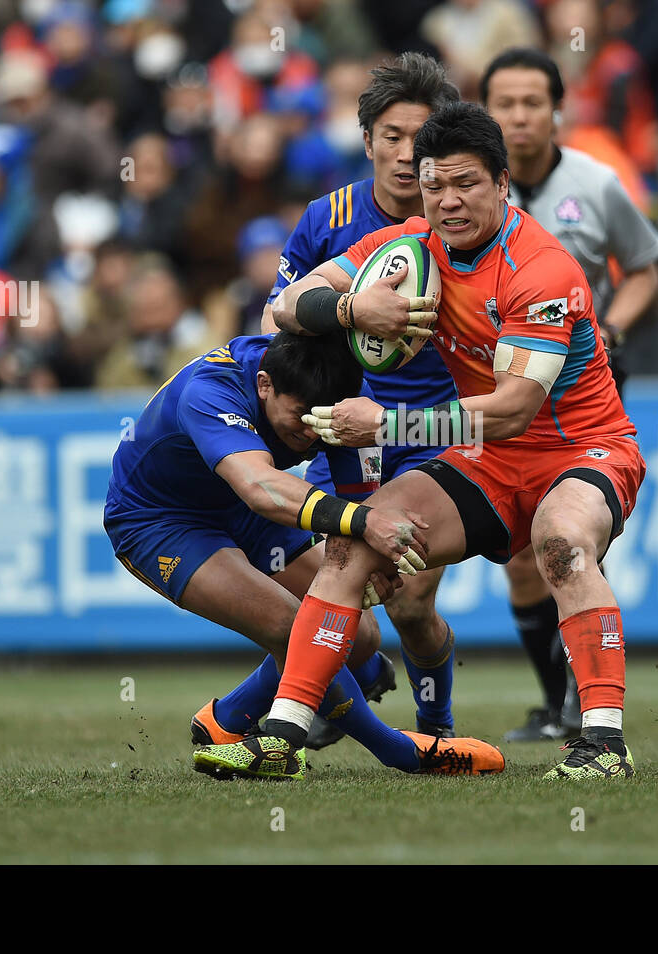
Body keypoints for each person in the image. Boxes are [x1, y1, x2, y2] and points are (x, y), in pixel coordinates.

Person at [199, 102, 645, 781]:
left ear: (502, 183)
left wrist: (388, 425)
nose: (447, 200)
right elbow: (285, 306)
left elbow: (515, 409)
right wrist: (352, 307)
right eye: (435, 185)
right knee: (356, 542)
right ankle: (281, 736)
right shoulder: (410, 248)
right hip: (486, 462)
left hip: (582, 450)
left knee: (561, 542)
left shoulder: (543, 271)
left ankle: (603, 744)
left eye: (465, 183)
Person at [103, 331, 503, 777]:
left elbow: (357, 499)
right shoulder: (210, 391)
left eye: (320, 421)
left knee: (359, 630)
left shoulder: (348, 400)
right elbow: (261, 488)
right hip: (161, 520)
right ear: (264, 385)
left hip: (244, 507)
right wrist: (367, 524)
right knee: (295, 629)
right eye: (299, 417)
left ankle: (227, 719)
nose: (310, 432)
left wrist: (372, 557)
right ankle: (398, 750)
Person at [262, 52, 463, 747]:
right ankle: (341, 680)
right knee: (338, 580)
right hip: (343, 427)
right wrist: (350, 311)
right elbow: (274, 318)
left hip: (436, 431)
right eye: (393, 136)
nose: (409, 155)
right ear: (369, 138)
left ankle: (433, 725)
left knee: (408, 601)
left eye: (424, 138)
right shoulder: (329, 217)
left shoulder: (469, 220)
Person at [482, 47, 658, 742]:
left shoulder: (596, 183)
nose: (520, 117)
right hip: (501, 401)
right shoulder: (467, 193)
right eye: (506, 103)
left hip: (583, 398)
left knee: (566, 542)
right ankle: (554, 698)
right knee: (520, 560)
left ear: (558, 109)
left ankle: (580, 708)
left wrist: (614, 325)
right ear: (485, 111)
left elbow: (647, 266)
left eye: (534, 102)